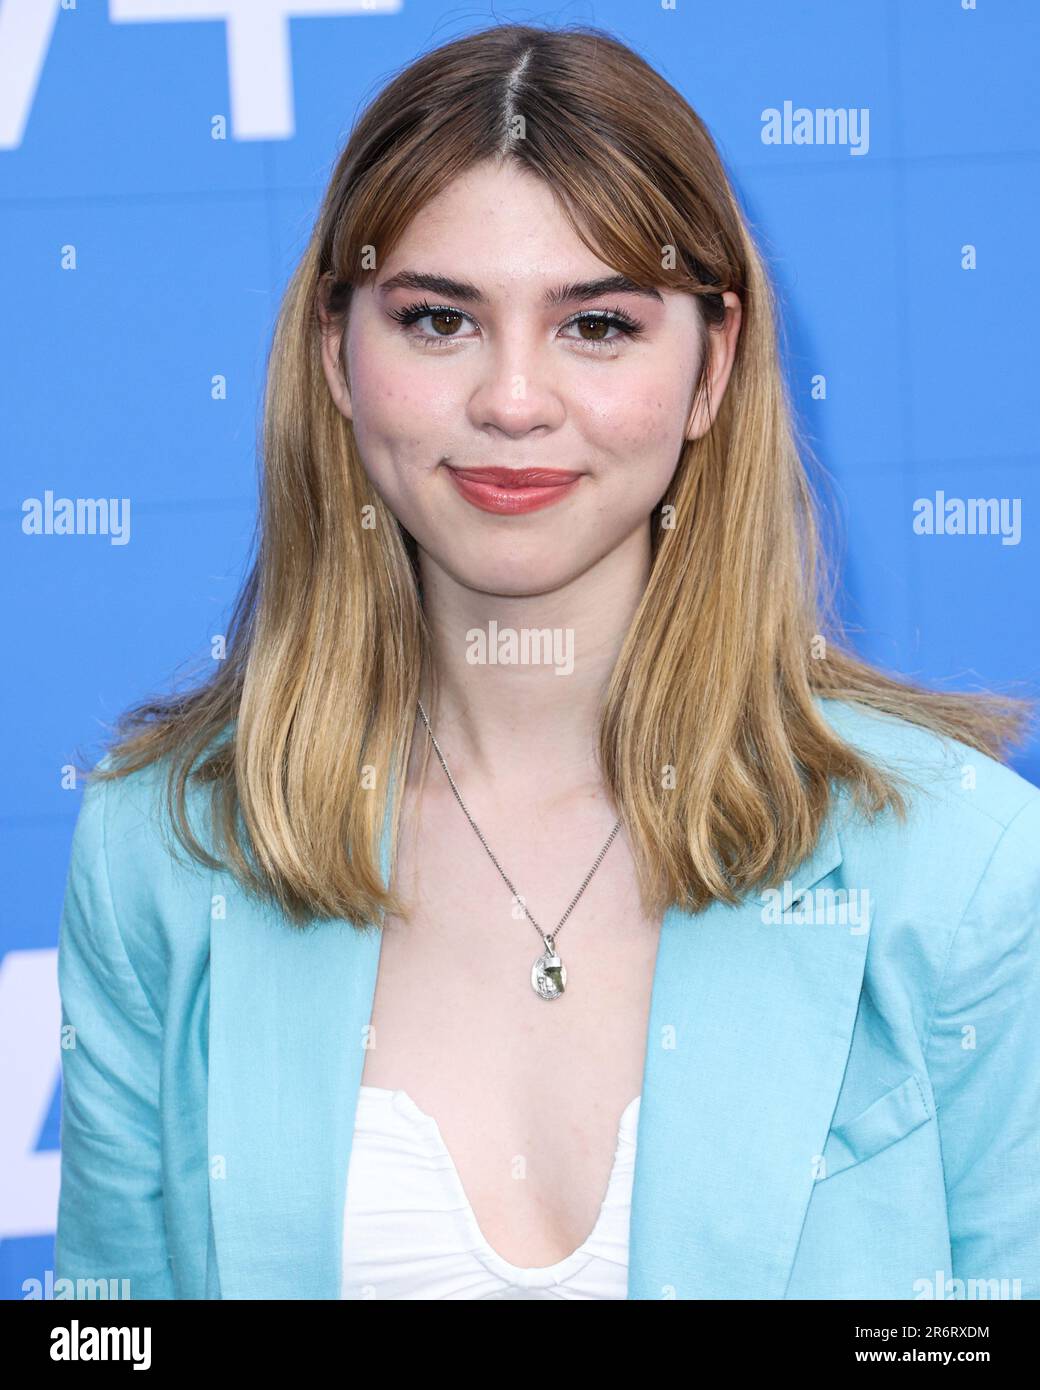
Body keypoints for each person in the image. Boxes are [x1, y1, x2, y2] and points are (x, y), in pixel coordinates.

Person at [55, 22, 1040, 1302]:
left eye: (597, 325)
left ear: (711, 365)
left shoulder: (959, 864)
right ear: (334, 357)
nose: (513, 400)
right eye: (436, 319)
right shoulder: (160, 853)